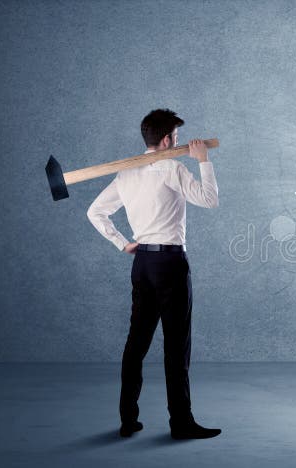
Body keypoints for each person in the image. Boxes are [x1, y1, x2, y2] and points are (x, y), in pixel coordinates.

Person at [86, 108, 221, 439]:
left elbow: (95, 212)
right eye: (175, 137)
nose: (177, 142)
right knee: (176, 345)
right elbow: (210, 199)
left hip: (142, 263)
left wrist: (123, 243)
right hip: (171, 264)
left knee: (137, 342)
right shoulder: (173, 167)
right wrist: (203, 160)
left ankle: (128, 420)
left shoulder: (127, 173)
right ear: (167, 140)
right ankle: (181, 423)